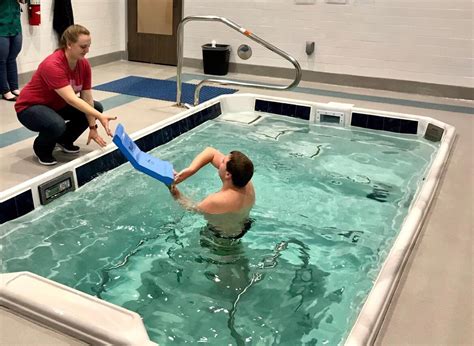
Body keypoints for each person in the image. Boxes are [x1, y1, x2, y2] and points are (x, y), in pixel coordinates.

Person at [15, 24, 116, 165]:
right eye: (83, 47)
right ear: (69, 44)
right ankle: (41, 150)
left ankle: (64, 140)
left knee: (96, 107)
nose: (87, 50)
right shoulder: (53, 64)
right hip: (30, 107)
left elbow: (87, 97)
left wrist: (93, 127)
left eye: (88, 46)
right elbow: (72, 99)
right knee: (57, 124)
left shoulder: (83, 64)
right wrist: (99, 117)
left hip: (56, 105)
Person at [170, 147, 255, 239]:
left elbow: (191, 208)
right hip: (242, 227)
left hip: (222, 239)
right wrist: (190, 170)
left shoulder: (216, 201)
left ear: (228, 174)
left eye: (222, 161)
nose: (220, 161)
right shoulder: (246, 183)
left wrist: (172, 188)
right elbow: (211, 152)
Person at [0, 0, 25, 101]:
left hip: (15, 24)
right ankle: (4, 90)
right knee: (1, 60)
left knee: (12, 57)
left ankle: (14, 87)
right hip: (2, 26)